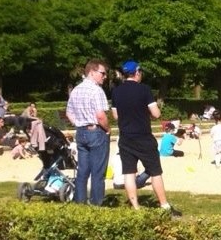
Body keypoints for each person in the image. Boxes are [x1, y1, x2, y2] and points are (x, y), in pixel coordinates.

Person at [110, 60, 180, 215]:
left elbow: (115, 115)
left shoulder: (116, 91)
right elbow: (156, 114)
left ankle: (135, 207)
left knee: (129, 172)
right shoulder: (144, 90)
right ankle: (164, 205)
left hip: (126, 137)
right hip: (143, 136)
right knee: (155, 171)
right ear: (137, 72)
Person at [66, 58, 111, 206]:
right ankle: (96, 204)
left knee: (82, 171)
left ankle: (80, 203)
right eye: (102, 73)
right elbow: (100, 115)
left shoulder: (76, 90)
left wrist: (79, 123)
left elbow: (69, 113)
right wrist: (107, 129)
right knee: (98, 171)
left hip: (81, 132)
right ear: (92, 72)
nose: (105, 76)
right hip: (95, 131)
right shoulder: (96, 90)